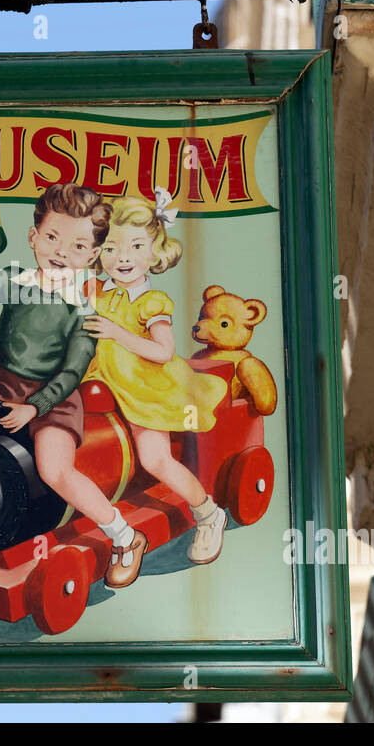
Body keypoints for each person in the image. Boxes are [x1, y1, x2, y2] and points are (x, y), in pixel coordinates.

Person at [0, 182, 147, 589]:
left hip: (54, 396)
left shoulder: (83, 311)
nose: (62, 252)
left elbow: (71, 373)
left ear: (94, 256)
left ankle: (125, 537)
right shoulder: (17, 282)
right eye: (52, 237)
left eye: (78, 246)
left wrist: (36, 407)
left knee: (54, 470)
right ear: (33, 237)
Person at [82, 190, 230, 566]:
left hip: (146, 389)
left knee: (156, 460)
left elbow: (163, 350)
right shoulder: (102, 294)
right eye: (111, 248)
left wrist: (119, 335)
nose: (123, 257)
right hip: (106, 383)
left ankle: (209, 514)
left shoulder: (152, 303)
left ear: (154, 252)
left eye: (135, 246)